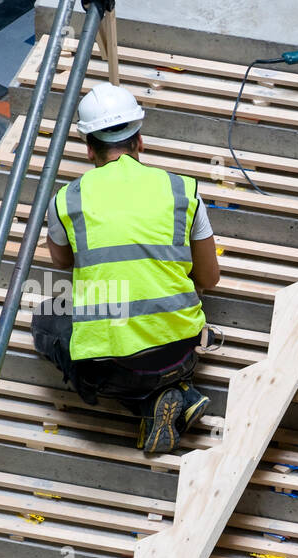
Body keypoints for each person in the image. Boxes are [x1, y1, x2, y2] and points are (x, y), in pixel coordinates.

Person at [32, 82, 220, 454]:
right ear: (140, 141)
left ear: (89, 150)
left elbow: (62, 261)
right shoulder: (182, 191)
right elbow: (209, 278)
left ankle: (150, 402)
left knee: (44, 320)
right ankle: (178, 389)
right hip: (182, 353)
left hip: (115, 371)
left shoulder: (67, 199)